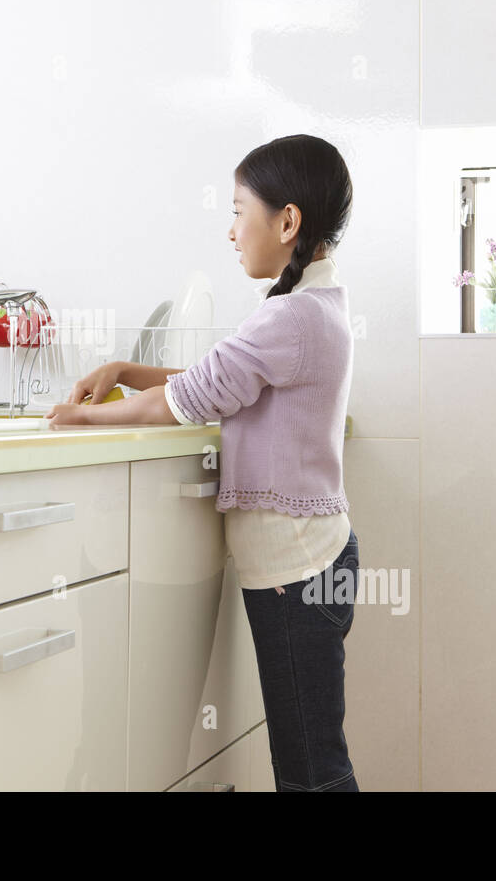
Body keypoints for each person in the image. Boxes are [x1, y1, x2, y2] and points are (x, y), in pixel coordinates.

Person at [47, 134, 359, 791]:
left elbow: (190, 400)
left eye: (240, 209)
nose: (231, 230)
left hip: (295, 572)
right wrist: (130, 370)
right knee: (313, 761)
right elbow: (225, 374)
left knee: (311, 772)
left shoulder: (292, 317)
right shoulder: (313, 307)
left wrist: (79, 417)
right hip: (310, 559)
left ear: (288, 221)